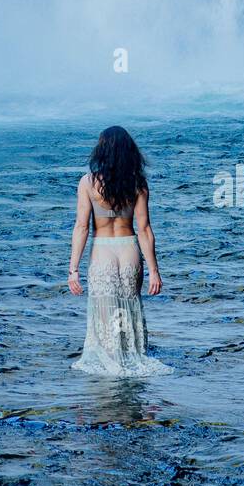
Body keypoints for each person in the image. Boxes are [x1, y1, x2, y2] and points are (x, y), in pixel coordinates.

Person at [68, 125, 171, 377]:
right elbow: (145, 228)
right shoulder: (138, 184)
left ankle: (111, 366)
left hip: (102, 250)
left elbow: (81, 226)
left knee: (105, 314)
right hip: (129, 249)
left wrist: (73, 269)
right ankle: (130, 359)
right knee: (129, 308)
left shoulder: (88, 183)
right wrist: (155, 271)